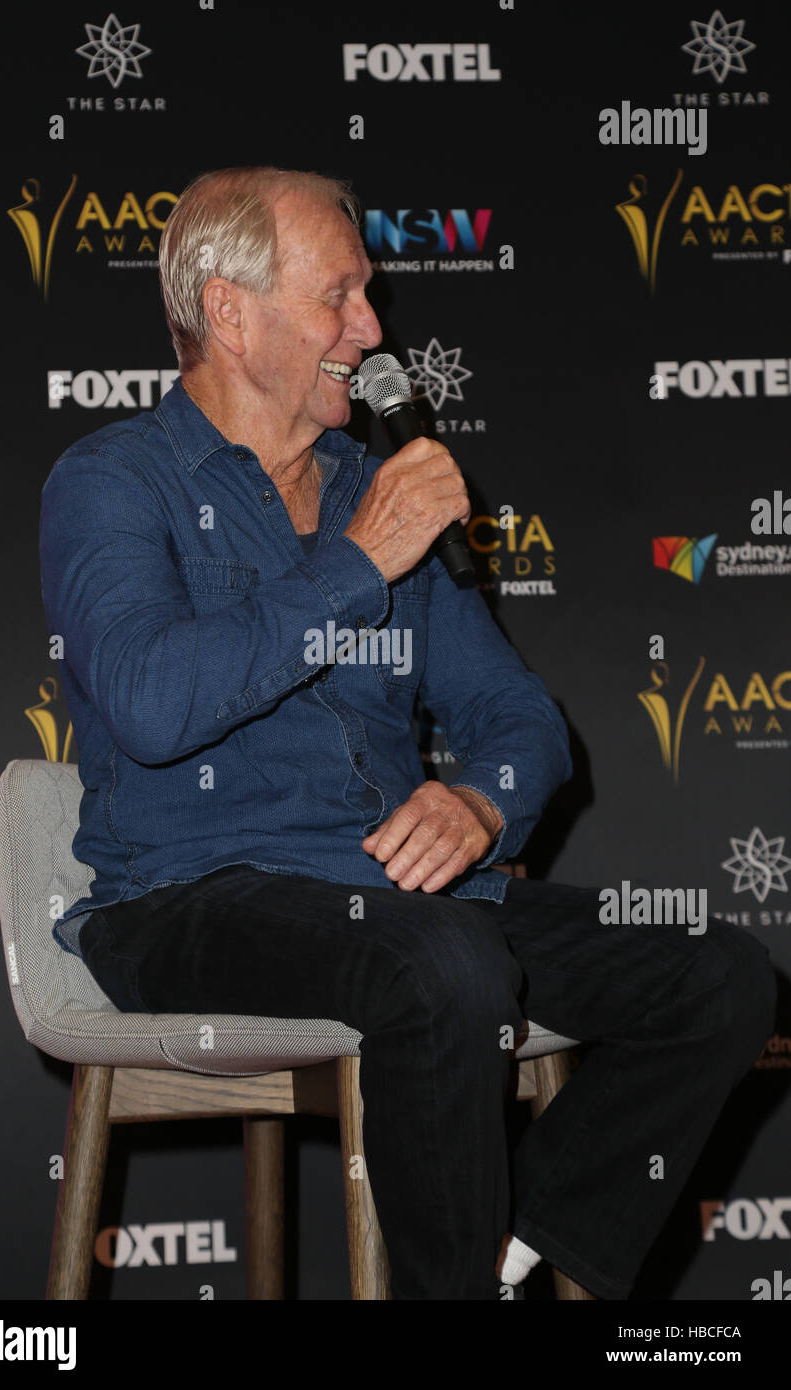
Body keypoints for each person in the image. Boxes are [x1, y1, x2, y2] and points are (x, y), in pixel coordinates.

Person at [39, 166, 776, 1301]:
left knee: (716, 973)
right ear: (229, 312)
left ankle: (513, 1247)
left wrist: (479, 800)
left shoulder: (374, 491)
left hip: (395, 899)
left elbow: (517, 715)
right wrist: (355, 563)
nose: (374, 330)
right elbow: (147, 701)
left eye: (368, 295)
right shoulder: (111, 481)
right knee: (442, 962)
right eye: (338, 295)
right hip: (184, 894)